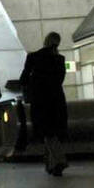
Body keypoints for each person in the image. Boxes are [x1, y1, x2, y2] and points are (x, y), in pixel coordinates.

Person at [20, 31, 70, 175]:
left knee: (47, 132)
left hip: (40, 100)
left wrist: (33, 83)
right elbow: (59, 81)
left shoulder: (33, 57)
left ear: (45, 41)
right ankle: (51, 165)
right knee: (53, 131)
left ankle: (59, 160)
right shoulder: (60, 59)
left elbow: (23, 79)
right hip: (57, 100)